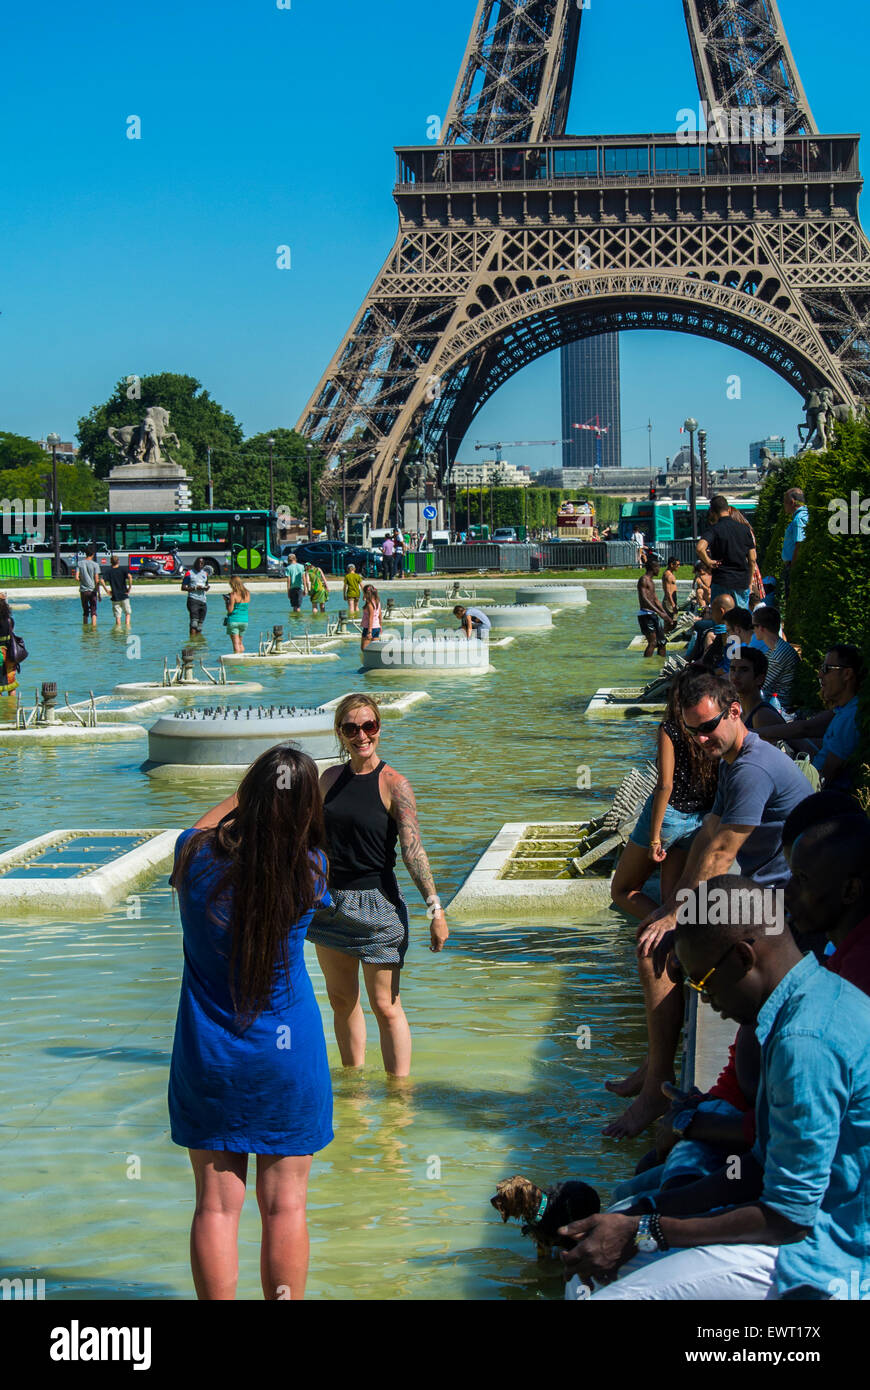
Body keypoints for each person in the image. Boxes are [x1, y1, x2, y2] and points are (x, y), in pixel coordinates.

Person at [563, 878, 870, 1301]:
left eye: (702, 981)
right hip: (796, 1225)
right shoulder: (811, 1001)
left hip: (828, 1255)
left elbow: (788, 1218)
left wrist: (648, 1231)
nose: (704, 1000)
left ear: (744, 956)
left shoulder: (806, 1042)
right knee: (591, 1260)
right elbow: (755, 1170)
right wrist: (645, 1211)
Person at [606, 667, 811, 1139]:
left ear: (734, 711)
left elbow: (722, 854)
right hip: (765, 893)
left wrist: (678, 916)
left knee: (656, 950)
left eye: (706, 727)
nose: (699, 740)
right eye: (690, 732)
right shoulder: (733, 760)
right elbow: (705, 839)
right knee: (658, 937)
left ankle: (657, 1084)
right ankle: (654, 1072)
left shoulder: (752, 769)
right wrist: (673, 907)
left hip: (789, 907)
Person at [167, 747, 334, 1300]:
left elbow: (200, 827)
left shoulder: (192, 857)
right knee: (286, 1204)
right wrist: (280, 800)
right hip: (287, 1056)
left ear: (251, 795)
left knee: (215, 1207)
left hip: (210, 1053)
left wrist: (251, 792)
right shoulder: (310, 868)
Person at [307, 694, 449, 1077]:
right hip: (330, 903)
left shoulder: (395, 785)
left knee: (385, 1005)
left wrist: (435, 908)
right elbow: (314, 843)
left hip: (378, 906)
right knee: (341, 1001)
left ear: (379, 728)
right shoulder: (328, 780)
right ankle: (355, 1092)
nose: (361, 735)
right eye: (351, 728)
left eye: (368, 726)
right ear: (340, 732)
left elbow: (413, 850)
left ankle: (398, 1097)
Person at [609, 680, 717, 925]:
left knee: (622, 891)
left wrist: (655, 838)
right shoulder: (710, 730)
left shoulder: (671, 729)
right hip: (699, 820)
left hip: (668, 817)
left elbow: (665, 785)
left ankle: (666, 929)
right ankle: (679, 942)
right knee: (673, 899)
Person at [758, 644, 863, 787]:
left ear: (847, 674)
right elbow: (805, 728)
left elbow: (824, 780)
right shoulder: (845, 708)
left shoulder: (849, 717)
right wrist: (755, 733)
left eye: (827, 669)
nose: (820, 674)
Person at [696, 495, 755, 607]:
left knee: (721, 619)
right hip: (741, 581)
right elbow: (752, 559)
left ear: (713, 512)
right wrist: (750, 581)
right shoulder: (744, 529)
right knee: (741, 620)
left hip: (721, 580)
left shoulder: (714, 529)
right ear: (728, 509)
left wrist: (708, 561)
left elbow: (700, 548)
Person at [729, 646, 787, 734]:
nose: (735, 676)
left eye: (744, 670)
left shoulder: (762, 716)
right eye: (733, 669)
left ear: (759, 679)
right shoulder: (740, 712)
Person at [751, 605, 800, 707]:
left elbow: (758, 685)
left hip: (778, 707)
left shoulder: (778, 655)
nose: (752, 630)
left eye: (753, 626)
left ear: (761, 628)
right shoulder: (777, 649)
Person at [636, 559, 673, 658]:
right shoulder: (643, 580)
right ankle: (647, 665)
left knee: (662, 642)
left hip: (653, 614)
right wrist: (659, 613)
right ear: (653, 568)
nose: (659, 570)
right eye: (658, 567)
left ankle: (661, 665)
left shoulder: (651, 581)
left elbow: (655, 599)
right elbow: (644, 599)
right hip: (645, 615)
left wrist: (665, 613)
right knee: (653, 642)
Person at [781, 487, 808, 600]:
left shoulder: (798, 519)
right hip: (793, 564)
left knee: (791, 598)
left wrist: (793, 568)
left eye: (785, 502)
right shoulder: (802, 516)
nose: (784, 506)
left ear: (792, 502)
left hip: (793, 565)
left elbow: (799, 544)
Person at [75, 544, 104, 627]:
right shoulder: (95, 565)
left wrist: (83, 580)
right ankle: (94, 629)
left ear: (85, 553)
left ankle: (85, 628)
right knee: (93, 611)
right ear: (93, 554)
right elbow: (96, 580)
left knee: (85, 611)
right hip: (92, 590)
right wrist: (99, 594)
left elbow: (76, 577)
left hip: (83, 591)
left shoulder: (79, 563)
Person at [182, 557, 210, 638]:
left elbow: (206, 585)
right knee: (194, 623)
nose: (200, 565)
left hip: (203, 600)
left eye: (202, 563)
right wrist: (195, 588)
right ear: (195, 563)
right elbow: (183, 587)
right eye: (198, 563)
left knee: (200, 625)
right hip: (193, 600)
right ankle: (192, 642)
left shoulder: (205, 574)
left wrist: (207, 588)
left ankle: (198, 643)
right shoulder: (189, 573)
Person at [224, 576, 251, 654]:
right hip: (244, 621)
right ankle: (242, 661)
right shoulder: (247, 593)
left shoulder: (233, 595)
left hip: (234, 620)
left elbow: (230, 610)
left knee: (235, 644)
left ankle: (237, 664)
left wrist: (226, 601)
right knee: (240, 643)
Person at [0, 595, 20, 699]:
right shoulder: (9, 620)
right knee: (11, 684)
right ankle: (11, 708)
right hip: (10, 653)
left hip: (0, 654)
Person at [106, 554, 132, 629]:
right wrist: (129, 588)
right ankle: (127, 628)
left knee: (118, 616)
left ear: (111, 562)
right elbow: (130, 577)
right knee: (127, 613)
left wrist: (107, 590)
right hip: (124, 595)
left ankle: (118, 630)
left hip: (115, 596)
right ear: (118, 561)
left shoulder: (109, 571)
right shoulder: (123, 570)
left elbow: (101, 580)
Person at [360, 584, 382, 652]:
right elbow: (380, 615)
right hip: (377, 627)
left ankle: (366, 662)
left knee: (364, 649)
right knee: (375, 649)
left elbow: (371, 618)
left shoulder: (370, 604)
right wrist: (380, 626)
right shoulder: (377, 602)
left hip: (369, 628)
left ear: (367, 594)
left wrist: (369, 632)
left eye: (363, 593)